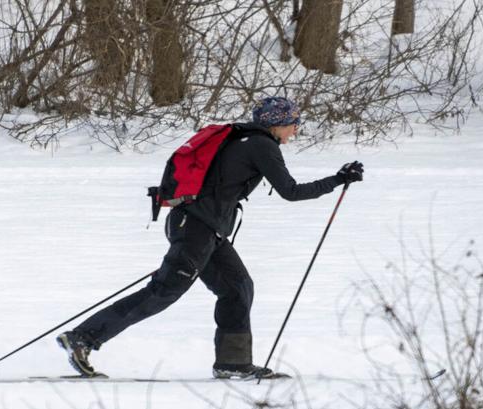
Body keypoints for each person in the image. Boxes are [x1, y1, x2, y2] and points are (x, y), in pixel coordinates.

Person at [55, 97, 364, 378]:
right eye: (294, 123)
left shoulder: (241, 139)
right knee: (163, 292)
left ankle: (233, 363)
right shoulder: (261, 145)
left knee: (237, 288)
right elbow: (291, 191)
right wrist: (338, 179)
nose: (295, 130)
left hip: (203, 228)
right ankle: (83, 337)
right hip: (196, 228)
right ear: (278, 122)